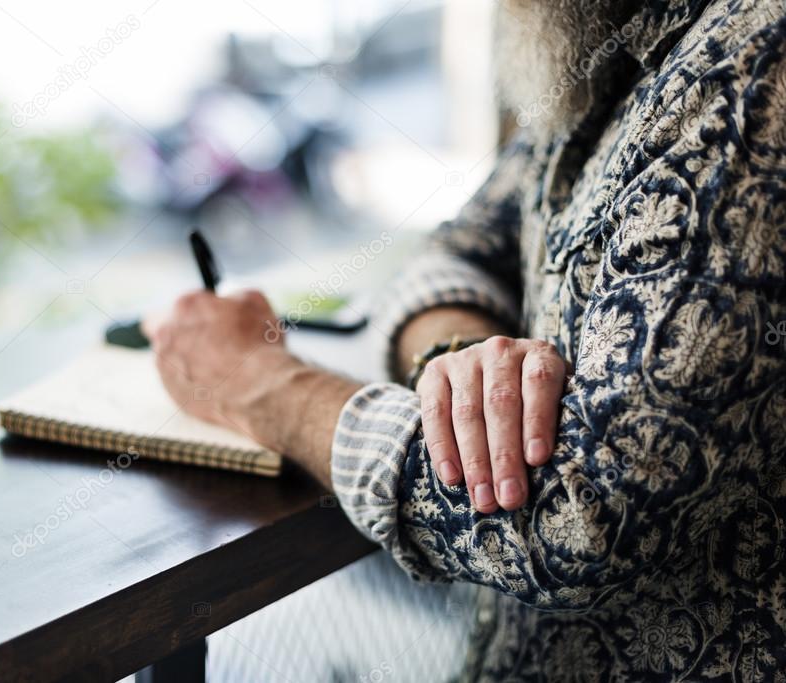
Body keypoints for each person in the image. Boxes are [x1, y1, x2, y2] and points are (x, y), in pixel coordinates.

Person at [145, 0, 786, 678]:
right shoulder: (611, 37)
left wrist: (264, 385)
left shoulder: (756, 63)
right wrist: (455, 362)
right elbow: (461, 248)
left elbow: (580, 519)